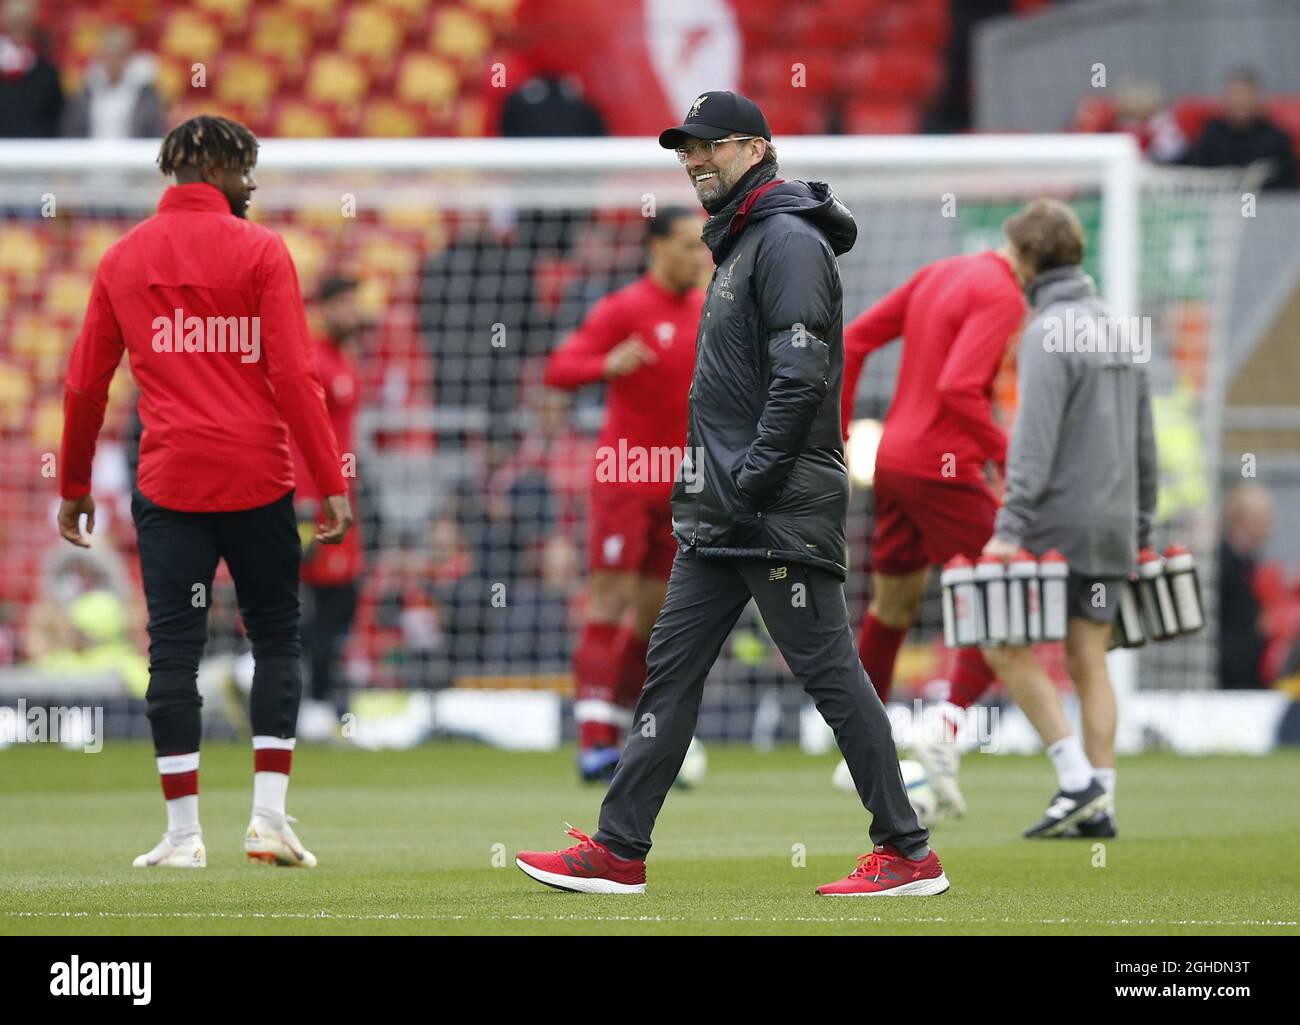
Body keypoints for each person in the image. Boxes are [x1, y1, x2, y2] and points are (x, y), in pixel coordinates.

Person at [516, 91, 948, 896]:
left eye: (709, 146)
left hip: (769, 506)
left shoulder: (783, 239)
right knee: (670, 674)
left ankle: (909, 851)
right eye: (686, 148)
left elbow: (800, 374)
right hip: (725, 512)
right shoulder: (746, 239)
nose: (692, 159)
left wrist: (748, 482)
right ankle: (618, 847)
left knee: (830, 675)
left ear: (755, 148)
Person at [57, 115, 353, 869]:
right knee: (277, 637)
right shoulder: (260, 250)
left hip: (171, 480)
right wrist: (329, 479)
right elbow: (293, 377)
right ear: (216, 163)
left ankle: (184, 835)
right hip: (258, 479)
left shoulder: (123, 258)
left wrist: (74, 482)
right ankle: (267, 820)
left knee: (174, 652)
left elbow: (86, 382)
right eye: (246, 166)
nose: (252, 181)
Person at [839, 203, 1039, 816]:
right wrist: (1007, 454)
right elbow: (957, 389)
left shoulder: (940, 272)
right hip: (941, 467)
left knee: (893, 604)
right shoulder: (1005, 294)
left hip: (893, 462)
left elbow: (853, 340)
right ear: (1040, 263)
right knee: (1012, 595)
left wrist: (839, 433)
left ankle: (858, 755)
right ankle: (947, 733)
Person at [979, 199, 1157, 839]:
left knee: (1004, 645)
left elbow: (1033, 440)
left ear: (1028, 261)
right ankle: (1100, 801)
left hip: (1057, 524)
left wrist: (1010, 526)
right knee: (1089, 656)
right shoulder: (1120, 325)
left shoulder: (1048, 331)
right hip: (1112, 522)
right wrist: (1142, 524)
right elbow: (1146, 440)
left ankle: (1075, 777)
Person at [543, 206, 707, 781]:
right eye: (687, 245)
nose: (698, 256)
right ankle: (592, 741)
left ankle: (624, 732)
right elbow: (559, 368)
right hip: (624, 475)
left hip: (684, 482)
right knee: (608, 599)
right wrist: (604, 363)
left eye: (701, 245)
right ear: (656, 248)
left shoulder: (711, 308)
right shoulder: (623, 308)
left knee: (652, 617)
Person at [294, 275, 366, 740]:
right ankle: (313, 704)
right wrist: (302, 498)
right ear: (323, 308)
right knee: (318, 600)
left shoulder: (343, 360)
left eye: (354, 304)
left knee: (341, 598)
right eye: (342, 304)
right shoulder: (316, 360)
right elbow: (298, 429)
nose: (352, 313)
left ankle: (318, 701)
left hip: (339, 497)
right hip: (313, 500)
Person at [1185, 68, 1297, 190]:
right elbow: (1194, 177)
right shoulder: (1210, 134)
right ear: (1225, 98)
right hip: (1221, 204)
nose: (1240, 101)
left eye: (1246, 95)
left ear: (1258, 98)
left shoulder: (1277, 139)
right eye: (1235, 95)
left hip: (1267, 205)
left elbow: (1290, 190)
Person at [60, 23, 166, 139]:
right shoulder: (87, 90)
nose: (112, 62)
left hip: (133, 155)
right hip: (91, 154)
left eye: (118, 56)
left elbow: (154, 130)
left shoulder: (145, 93)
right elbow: (72, 129)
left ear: (128, 57)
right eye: (107, 55)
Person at [1218, 482, 1273, 690]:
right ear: (1241, 520)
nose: (1269, 528)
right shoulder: (1222, 567)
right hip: (1228, 682)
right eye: (1262, 519)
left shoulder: (1252, 565)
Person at [0, 0, 62, 137]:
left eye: (24, 20)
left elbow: (55, 123)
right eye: (15, 20)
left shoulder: (48, 73)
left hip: (35, 154)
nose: (19, 26)